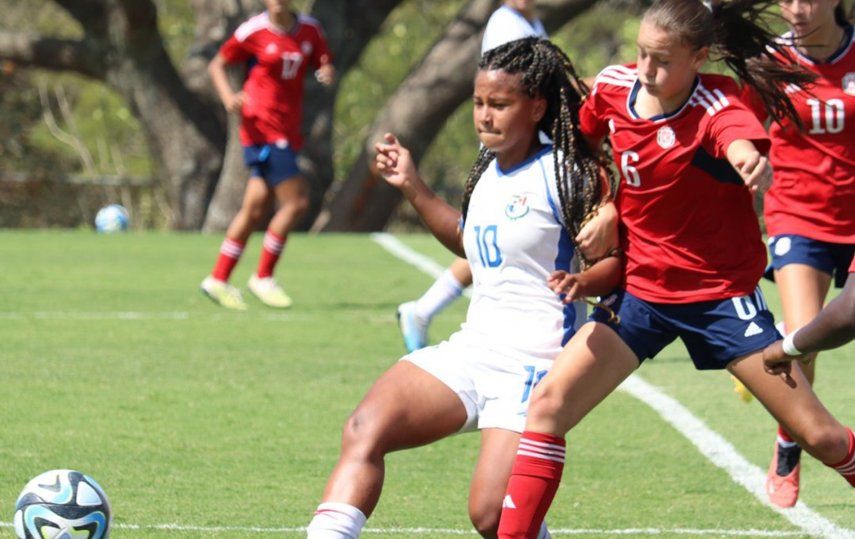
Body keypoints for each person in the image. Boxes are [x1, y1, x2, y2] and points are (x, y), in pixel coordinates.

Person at [496, 2, 855, 537]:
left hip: (719, 299)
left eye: (662, 59)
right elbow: (590, 143)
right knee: (547, 406)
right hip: (641, 294)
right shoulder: (616, 88)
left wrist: (747, 160)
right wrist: (605, 206)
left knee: (820, 437)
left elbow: (736, 138)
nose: (646, 68)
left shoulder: (717, 103)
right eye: (641, 52)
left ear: (699, 57)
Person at [306, 38, 620, 539]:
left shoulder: (566, 173)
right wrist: (413, 184)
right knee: (365, 429)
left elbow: (619, 264)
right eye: (478, 103)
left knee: (492, 515)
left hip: (535, 367)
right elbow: (468, 240)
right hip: (475, 350)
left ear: (536, 106)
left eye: (500, 104)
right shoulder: (488, 169)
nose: (484, 116)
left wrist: (584, 280)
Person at [396, 0, 616, 352]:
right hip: (517, 149)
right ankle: (425, 310)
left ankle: (424, 309)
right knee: (496, 240)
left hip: (533, 153)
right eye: (477, 104)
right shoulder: (506, 24)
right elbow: (507, 86)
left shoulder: (531, 22)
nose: (482, 112)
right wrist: (605, 82)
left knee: (505, 241)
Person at [738, 0, 854, 508]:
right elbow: (741, 133)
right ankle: (790, 442)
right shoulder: (768, 63)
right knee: (803, 340)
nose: (797, 9)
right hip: (797, 218)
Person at [200, 0, 334, 310]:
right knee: (296, 202)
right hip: (262, 128)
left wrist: (325, 71)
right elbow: (217, 64)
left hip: (287, 129)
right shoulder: (253, 31)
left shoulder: (310, 30)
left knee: (255, 207)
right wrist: (228, 97)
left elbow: (322, 62)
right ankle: (263, 276)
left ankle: (218, 278)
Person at [762, 261, 854, 371]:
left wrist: (785, 347)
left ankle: (786, 333)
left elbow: (849, 312)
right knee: (801, 356)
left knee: (801, 348)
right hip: (809, 245)